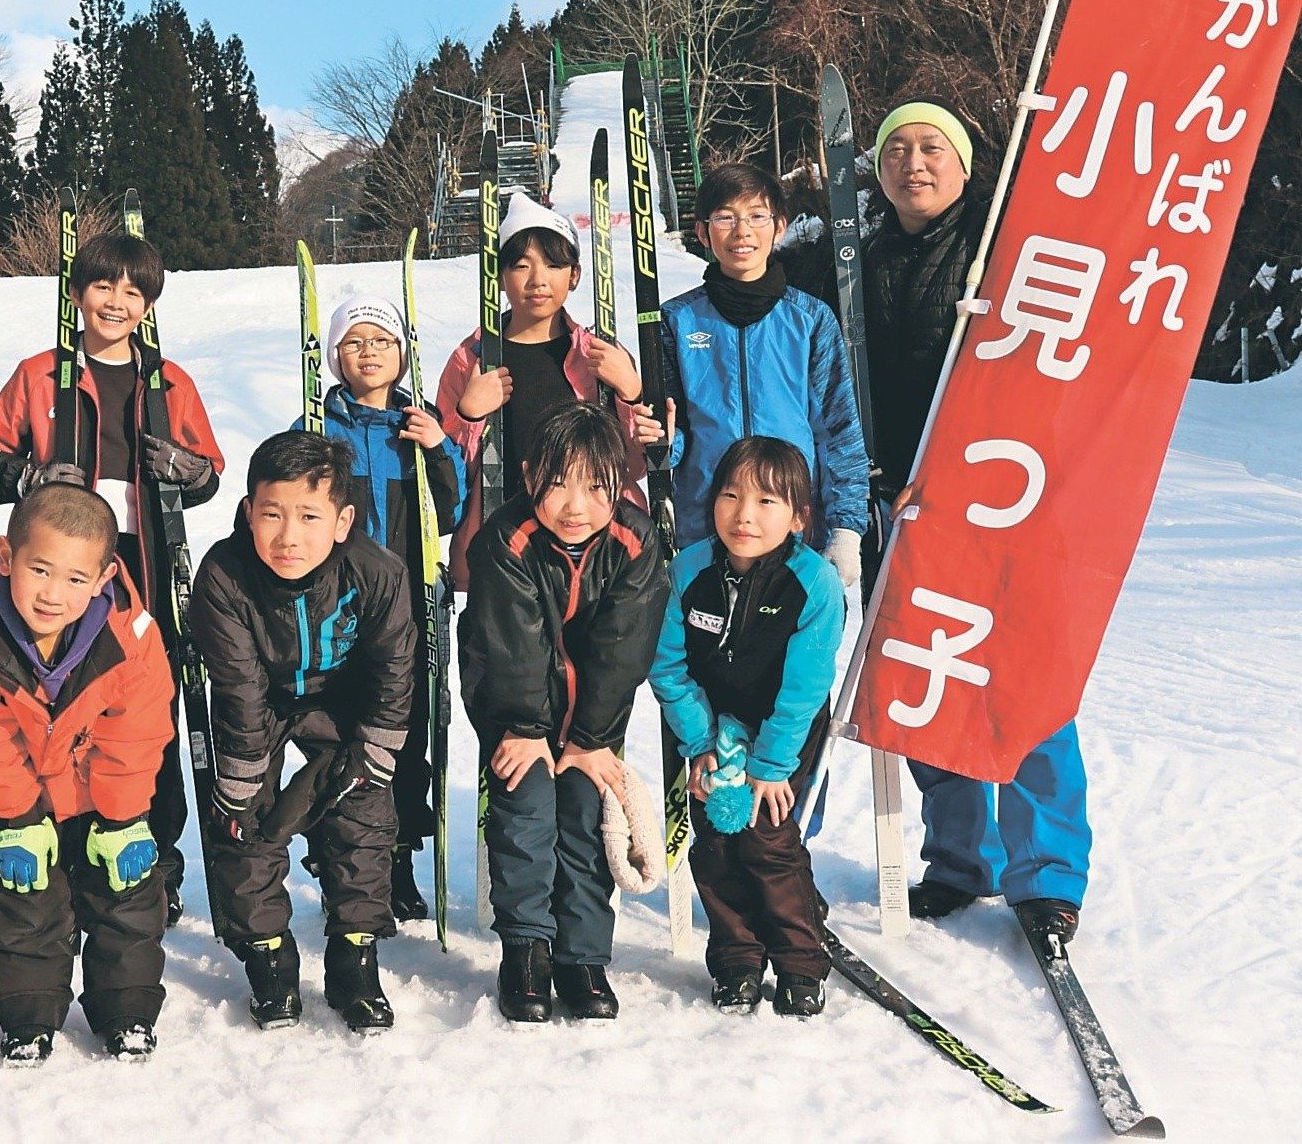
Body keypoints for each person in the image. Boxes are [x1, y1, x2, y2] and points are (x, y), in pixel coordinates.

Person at [864, 101, 1089, 944]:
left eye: (930, 147)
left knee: (1028, 680)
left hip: (1007, 499)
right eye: (895, 150)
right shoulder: (862, 260)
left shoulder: (1005, 247)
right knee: (927, 673)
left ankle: (1047, 873)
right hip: (906, 505)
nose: (912, 163)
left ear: (963, 164)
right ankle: (960, 859)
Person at [0, 231, 225, 925]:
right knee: (64, 713)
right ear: (77, 294)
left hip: (143, 559)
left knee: (147, 717)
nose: (116, 302)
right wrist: (29, 477)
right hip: (62, 567)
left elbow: (207, 468)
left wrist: (189, 471)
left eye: (133, 292)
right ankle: (66, 843)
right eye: (103, 287)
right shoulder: (40, 374)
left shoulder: (169, 380)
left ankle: (160, 856)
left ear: (147, 305)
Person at [0, 484, 175, 1067]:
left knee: (126, 894)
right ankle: (29, 1014)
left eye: (74, 579)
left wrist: (121, 817)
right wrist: (17, 816)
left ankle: (127, 1010)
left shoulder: (130, 635)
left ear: (102, 578)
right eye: (39, 570)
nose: (53, 594)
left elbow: (137, 728)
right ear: (7, 557)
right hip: (27, 793)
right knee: (26, 898)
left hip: (105, 793)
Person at [190, 432, 415, 1034]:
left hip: (341, 702)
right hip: (259, 701)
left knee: (364, 813)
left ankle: (354, 956)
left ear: (341, 521)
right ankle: (267, 955)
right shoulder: (223, 575)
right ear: (248, 513)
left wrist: (375, 747)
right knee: (241, 817)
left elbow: (393, 668)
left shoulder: (377, 572)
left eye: (309, 517)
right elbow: (238, 687)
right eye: (272, 514)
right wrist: (238, 779)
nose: (289, 536)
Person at [458, 401, 668, 1024]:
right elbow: (513, 645)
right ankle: (525, 949)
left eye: (595, 486)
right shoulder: (505, 539)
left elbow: (623, 647)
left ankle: (582, 958)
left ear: (618, 486)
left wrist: (590, 739)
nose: (576, 505)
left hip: (593, 721)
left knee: (584, 813)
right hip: (511, 702)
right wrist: (525, 730)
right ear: (529, 479)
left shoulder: (635, 541)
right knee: (525, 812)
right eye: (558, 484)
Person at [650, 436, 844, 1018]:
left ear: (799, 517)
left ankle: (799, 963)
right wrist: (700, 743)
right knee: (713, 841)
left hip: (783, 728)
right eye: (731, 496)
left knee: (766, 835)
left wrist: (770, 765)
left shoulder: (813, 583)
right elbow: (667, 664)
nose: (745, 515)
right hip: (706, 728)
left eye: (767, 502)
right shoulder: (688, 570)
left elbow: (805, 686)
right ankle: (737, 957)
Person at [297, 296, 465, 918]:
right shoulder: (318, 427)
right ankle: (339, 852)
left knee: (406, 730)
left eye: (381, 340)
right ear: (335, 357)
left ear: (401, 354)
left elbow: (448, 512)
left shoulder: (416, 427)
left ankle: (396, 859)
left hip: (410, 603)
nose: (368, 351)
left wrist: (439, 447)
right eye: (354, 342)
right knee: (340, 725)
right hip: (339, 604)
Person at [636, 163, 869, 585]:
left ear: (779, 227)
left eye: (757, 216)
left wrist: (847, 528)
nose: (742, 231)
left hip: (793, 525)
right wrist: (658, 439)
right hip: (707, 527)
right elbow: (672, 437)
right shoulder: (676, 321)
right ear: (703, 232)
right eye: (725, 217)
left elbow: (838, 431)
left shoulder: (811, 319)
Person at [437, 192, 643, 592]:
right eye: (520, 265)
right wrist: (468, 415)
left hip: (590, 550)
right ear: (499, 276)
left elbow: (634, 467)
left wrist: (630, 396)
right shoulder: (472, 358)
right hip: (502, 546)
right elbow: (446, 480)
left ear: (575, 275)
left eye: (553, 264)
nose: (537, 280)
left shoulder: (599, 357)